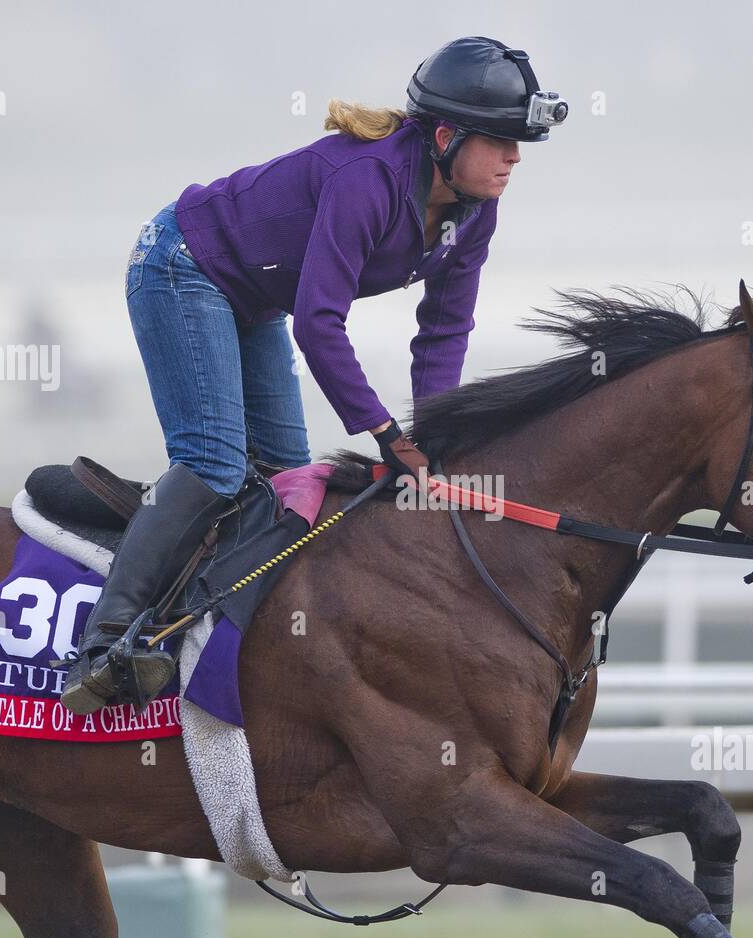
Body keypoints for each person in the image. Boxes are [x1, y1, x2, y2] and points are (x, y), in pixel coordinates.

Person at [59, 35, 567, 714]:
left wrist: (436, 437)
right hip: (183, 265)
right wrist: (390, 435)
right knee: (213, 460)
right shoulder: (369, 182)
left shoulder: (475, 213)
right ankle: (107, 642)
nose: (513, 159)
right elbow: (319, 325)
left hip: (255, 296)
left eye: (519, 145)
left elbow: (443, 331)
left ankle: (211, 637)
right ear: (446, 135)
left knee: (285, 482)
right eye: (501, 141)